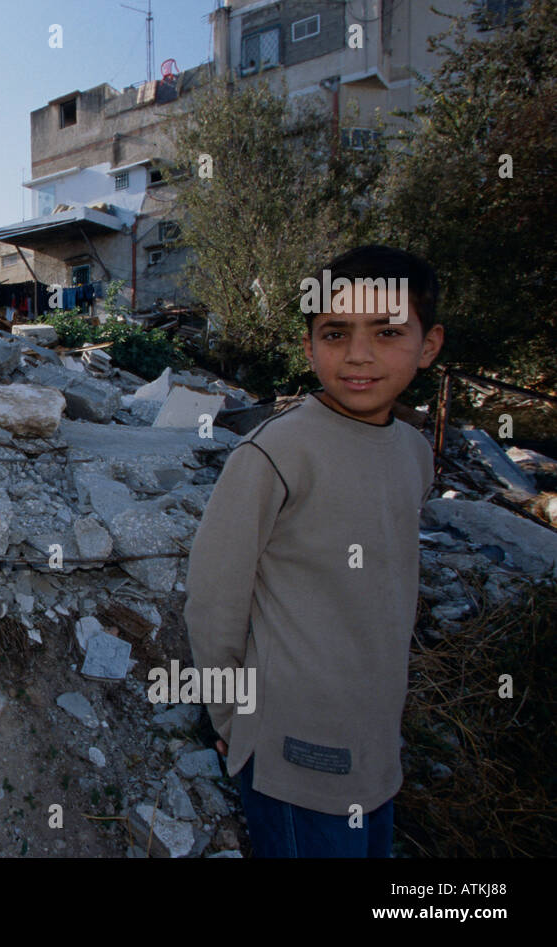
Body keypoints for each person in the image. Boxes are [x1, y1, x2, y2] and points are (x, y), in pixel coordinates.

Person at [183, 245, 445, 857]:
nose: (358, 353)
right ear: (308, 346)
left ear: (428, 345)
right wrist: (230, 722)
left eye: (386, 332)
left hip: (377, 749)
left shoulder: (413, 452)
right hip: (294, 754)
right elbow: (215, 600)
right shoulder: (277, 452)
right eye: (336, 332)